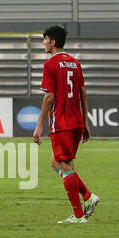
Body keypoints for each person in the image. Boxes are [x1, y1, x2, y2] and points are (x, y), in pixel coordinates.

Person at [33, 25, 101, 224]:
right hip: (76, 122)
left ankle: (79, 215)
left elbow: (49, 98)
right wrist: (85, 122)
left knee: (66, 166)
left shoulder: (50, 65)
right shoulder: (74, 63)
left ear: (53, 42)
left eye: (45, 39)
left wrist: (39, 125)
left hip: (62, 122)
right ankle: (88, 196)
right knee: (57, 163)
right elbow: (83, 93)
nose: (43, 43)